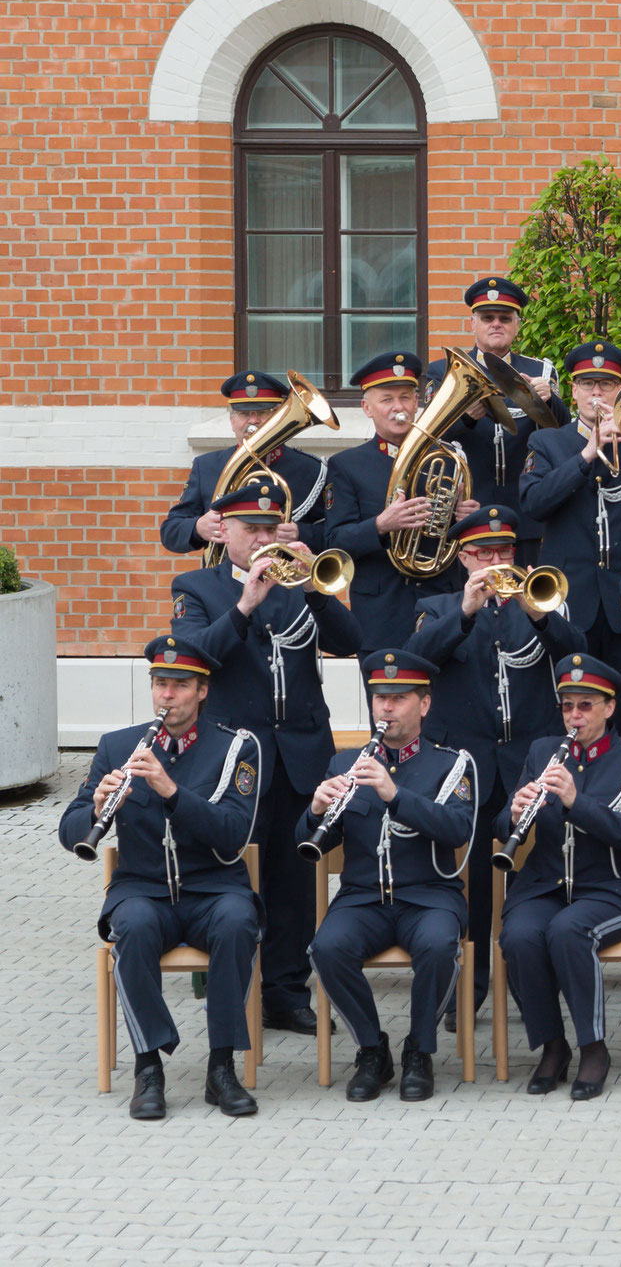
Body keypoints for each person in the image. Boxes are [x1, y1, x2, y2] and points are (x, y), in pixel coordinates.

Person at [171, 473, 364, 1036]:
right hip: (232, 761)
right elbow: (193, 658)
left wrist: (315, 589)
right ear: (224, 530)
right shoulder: (196, 587)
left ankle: (286, 993)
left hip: (301, 753)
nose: (261, 538)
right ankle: (236, 993)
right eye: (251, 528)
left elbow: (352, 641)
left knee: (294, 879)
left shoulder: (299, 582)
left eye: (270, 527)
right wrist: (244, 606)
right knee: (234, 876)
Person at [59, 635, 261, 1121]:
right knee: (131, 927)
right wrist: (97, 810)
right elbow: (69, 831)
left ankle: (221, 1067)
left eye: (179, 685)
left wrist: (171, 792)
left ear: (202, 691)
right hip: (143, 889)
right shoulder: (117, 746)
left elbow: (234, 833)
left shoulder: (236, 747)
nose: (167, 695)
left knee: (238, 922)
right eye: (159, 684)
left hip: (214, 887)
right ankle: (148, 1066)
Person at [406, 506, 587, 1025]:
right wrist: (464, 612)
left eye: (503, 551)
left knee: (538, 875)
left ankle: (534, 988)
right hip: (467, 763)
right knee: (474, 886)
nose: (495, 561)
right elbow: (416, 661)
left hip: (529, 759)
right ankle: (470, 989)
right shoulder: (436, 606)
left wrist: (540, 615)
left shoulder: (541, 600)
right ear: (463, 558)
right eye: (483, 553)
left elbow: (578, 658)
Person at [300, 651, 478, 1103]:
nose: (386, 708)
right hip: (363, 898)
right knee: (326, 948)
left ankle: (419, 1049)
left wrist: (395, 795)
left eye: (399, 699)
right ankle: (371, 1049)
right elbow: (311, 842)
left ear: (424, 704)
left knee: (439, 946)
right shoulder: (345, 764)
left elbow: (458, 829)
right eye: (380, 698)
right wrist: (316, 811)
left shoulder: (452, 765)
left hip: (430, 896)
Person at [497, 654, 621, 1101]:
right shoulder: (541, 752)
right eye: (567, 706)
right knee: (519, 936)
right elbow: (501, 823)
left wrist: (575, 802)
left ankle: (593, 1048)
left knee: (568, 931)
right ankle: (553, 1045)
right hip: (544, 883)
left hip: (609, 888)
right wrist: (514, 816)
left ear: (609, 707)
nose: (575, 716)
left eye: (586, 706)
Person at [520, 341, 621, 734]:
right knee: (568, 707)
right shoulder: (547, 443)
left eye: (607, 385)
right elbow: (533, 504)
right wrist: (587, 455)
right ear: (573, 391)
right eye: (588, 384)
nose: (597, 393)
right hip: (570, 596)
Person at [426, 276, 570, 567]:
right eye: (487, 317)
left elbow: (563, 433)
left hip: (526, 512)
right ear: (472, 323)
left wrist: (549, 401)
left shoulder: (540, 370)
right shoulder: (444, 371)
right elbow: (431, 438)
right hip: (468, 508)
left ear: (517, 325)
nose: (496, 324)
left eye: (505, 318)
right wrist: (466, 418)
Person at [324, 352, 454, 651]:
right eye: (386, 400)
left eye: (405, 397)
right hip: (381, 615)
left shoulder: (447, 459)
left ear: (417, 402)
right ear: (367, 408)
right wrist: (381, 525)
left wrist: (463, 517)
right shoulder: (347, 466)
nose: (398, 407)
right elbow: (334, 541)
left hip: (441, 605)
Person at [160, 369, 328, 558]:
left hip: (290, 576)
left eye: (263, 412)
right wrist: (198, 527)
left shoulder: (312, 469)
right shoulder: (206, 466)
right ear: (232, 421)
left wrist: (301, 533)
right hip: (226, 576)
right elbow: (170, 532)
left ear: (278, 416)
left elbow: (335, 535)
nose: (253, 421)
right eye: (243, 413)